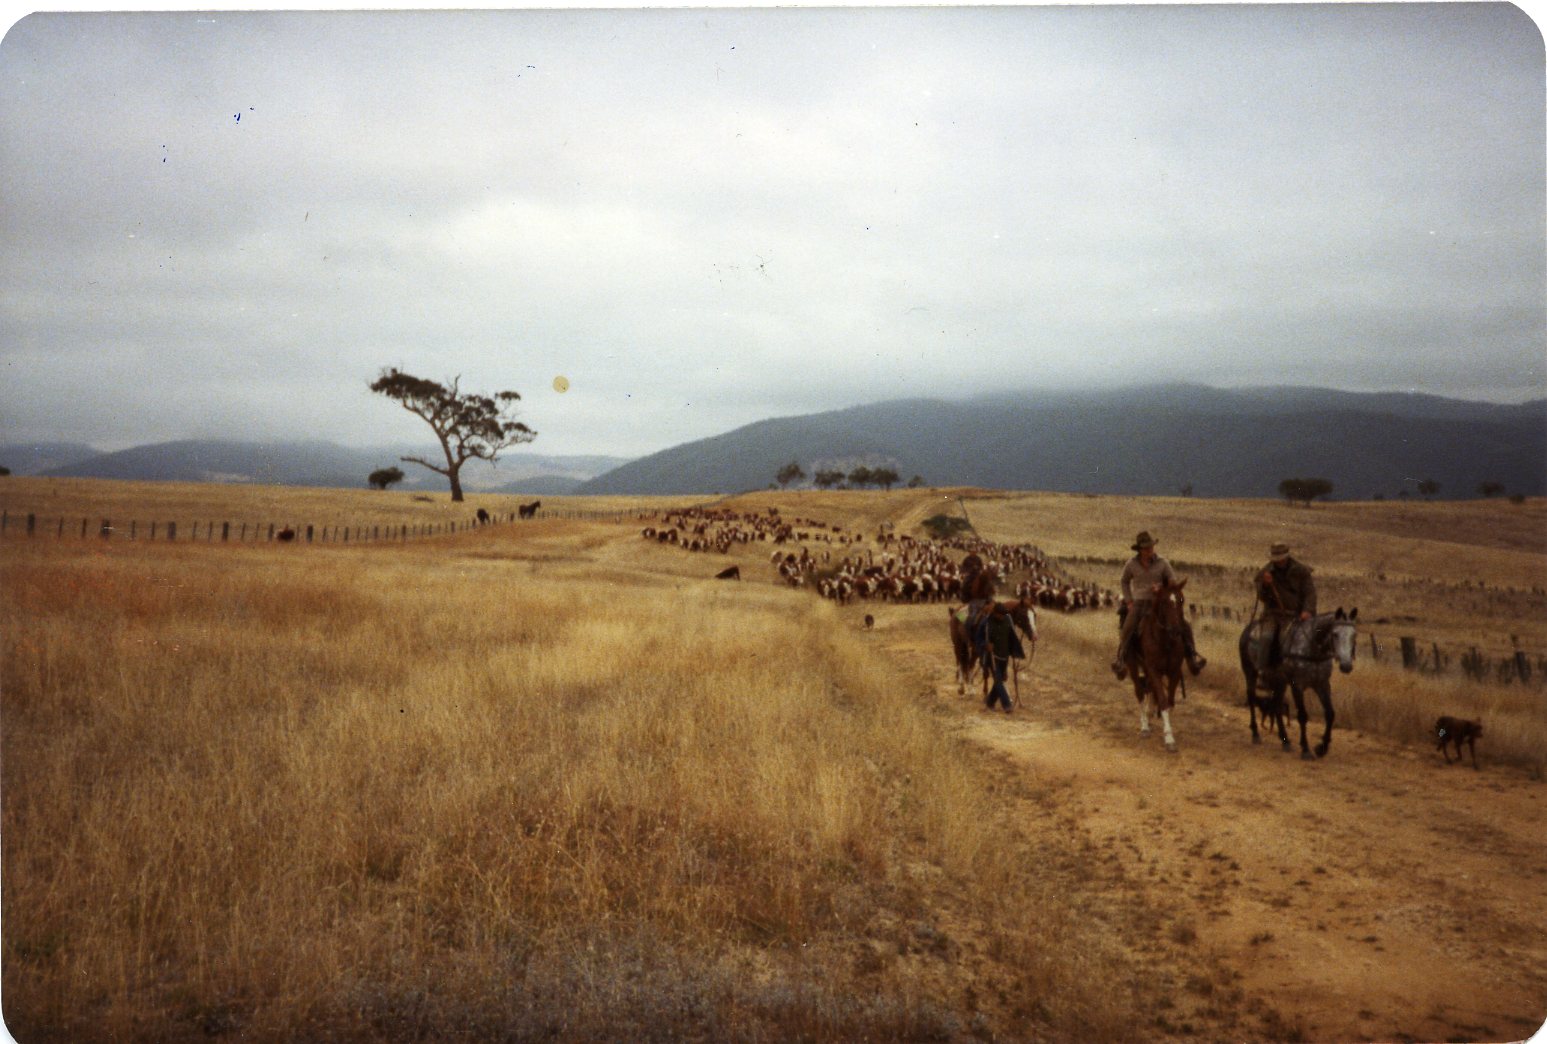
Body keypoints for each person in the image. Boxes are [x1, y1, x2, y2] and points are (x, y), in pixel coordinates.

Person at [1111, 531, 1207, 679]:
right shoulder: (1131, 564)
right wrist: (1129, 601)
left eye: (1151, 547)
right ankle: (1122, 660)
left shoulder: (1163, 563)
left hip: (1161, 603)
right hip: (1139, 604)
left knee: (1184, 626)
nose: (1150, 550)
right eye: (1146, 548)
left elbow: (1172, 582)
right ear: (1140, 550)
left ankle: (1192, 658)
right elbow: (1124, 581)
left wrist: (1162, 588)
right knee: (1127, 628)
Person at [1252, 541, 1316, 672]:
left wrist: (1307, 610)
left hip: (1296, 616)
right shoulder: (1265, 573)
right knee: (1266, 637)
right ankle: (1262, 671)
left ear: (1287, 556)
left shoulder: (1301, 571)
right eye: (1276, 559)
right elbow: (1262, 597)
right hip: (1273, 615)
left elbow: (1310, 593)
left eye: (1281, 559)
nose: (1279, 562)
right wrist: (1265, 585)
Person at [983, 601, 1017, 713]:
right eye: (1000, 614)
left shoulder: (1007, 620)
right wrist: (985, 645)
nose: (1002, 617)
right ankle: (1006, 705)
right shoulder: (987, 622)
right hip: (991, 656)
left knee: (1000, 679)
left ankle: (990, 702)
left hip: (1004, 655)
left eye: (1004, 615)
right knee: (971, 620)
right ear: (995, 614)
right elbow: (980, 639)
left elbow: (1011, 637)